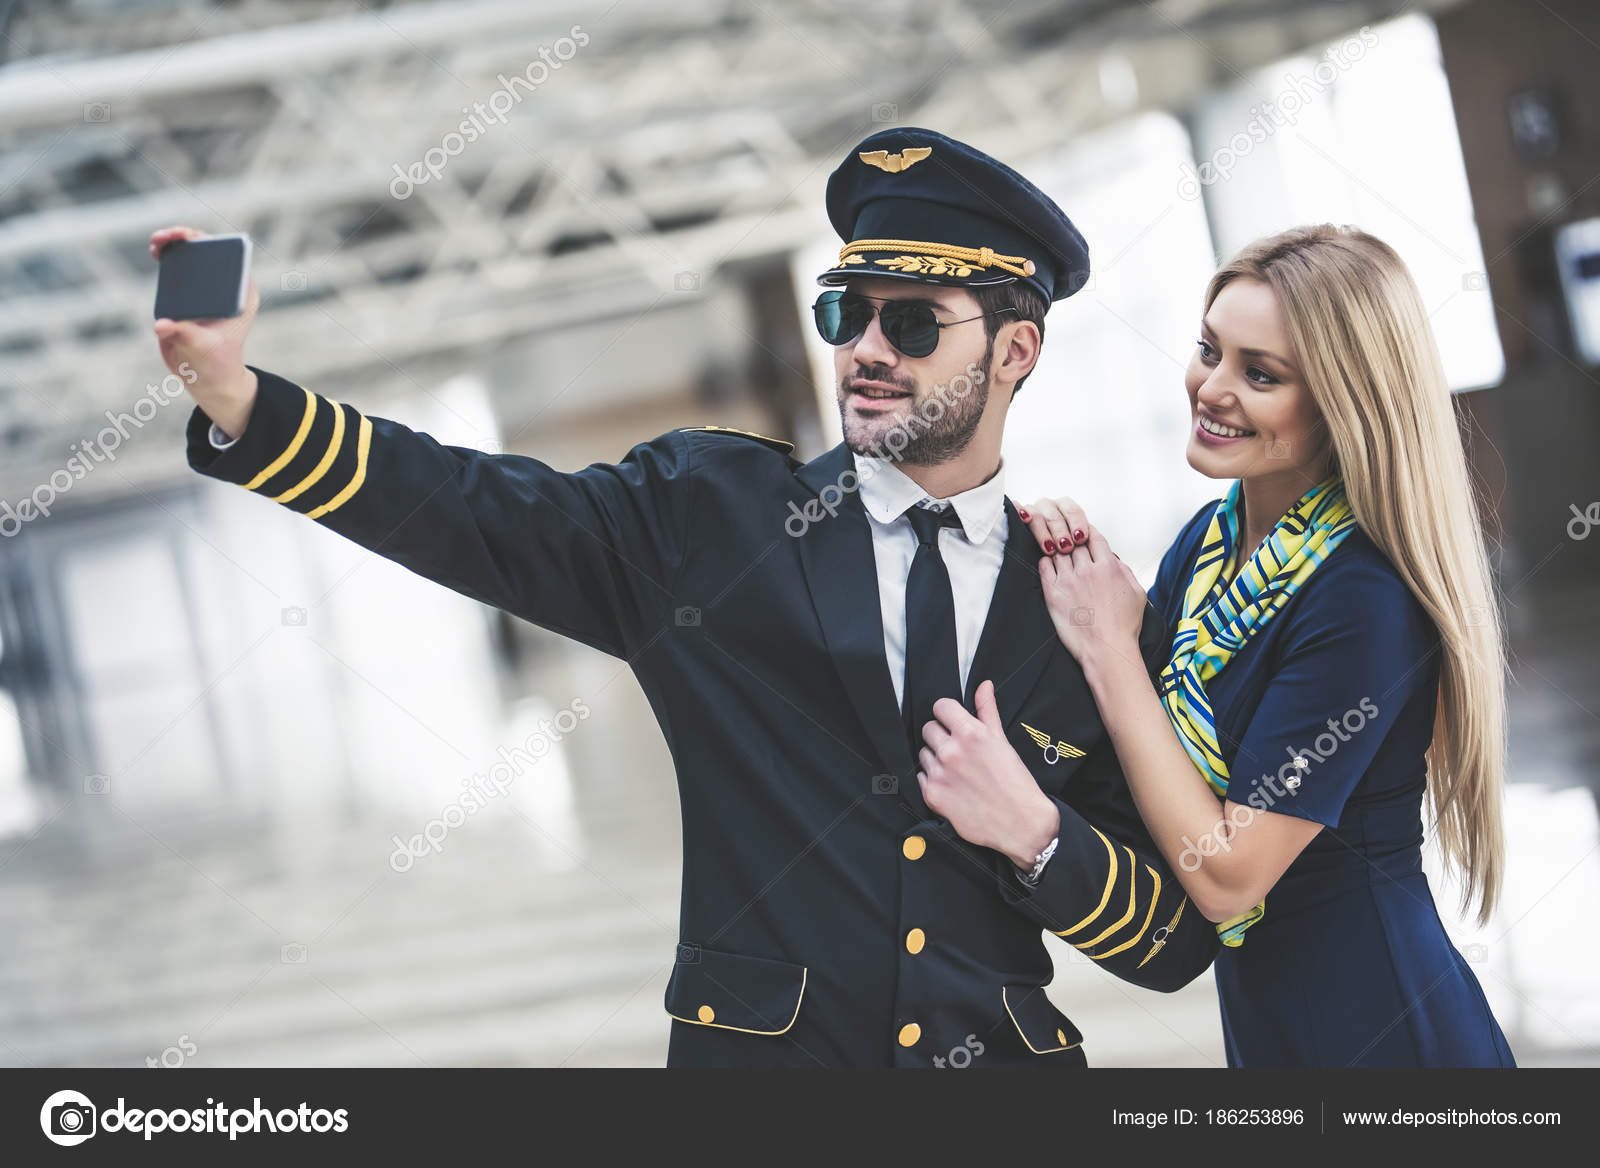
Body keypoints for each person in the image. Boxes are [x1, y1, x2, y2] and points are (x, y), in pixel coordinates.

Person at [148, 127, 1217, 1069]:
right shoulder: (712, 520)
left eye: (916, 324)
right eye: (845, 313)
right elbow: (471, 508)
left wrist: (1034, 833)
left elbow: (1173, 944)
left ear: (1014, 349)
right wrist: (242, 401)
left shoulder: (1085, 610)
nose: (867, 350)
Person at [942, 224, 1515, 1067]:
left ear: (1342, 403)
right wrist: (1058, 572)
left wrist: (1111, 650)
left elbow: (1227, 874)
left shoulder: (1363, 599)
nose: (1211, 388)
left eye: (1261, 374)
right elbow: (1136, 770)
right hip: (1269, 1026)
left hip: (1385, 1028)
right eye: (1209, 350)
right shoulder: (1207, 548)